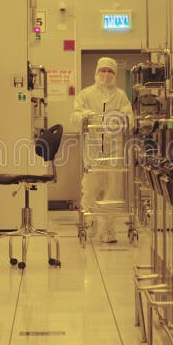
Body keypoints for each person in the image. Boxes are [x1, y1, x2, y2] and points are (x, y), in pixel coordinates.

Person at [71, 57, 134, 243]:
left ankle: (108, 230)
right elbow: (74, 115)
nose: (106, 75)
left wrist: (121, 119)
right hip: (92, 148)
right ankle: (89, 224)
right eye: (103, 71)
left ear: (115, 74)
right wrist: (84, 116)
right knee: (90, 188)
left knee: (113, 190)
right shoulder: (86, 94)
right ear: (96, 72)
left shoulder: (121, 95)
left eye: (110, 72)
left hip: (114, 150)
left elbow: (130, 118)